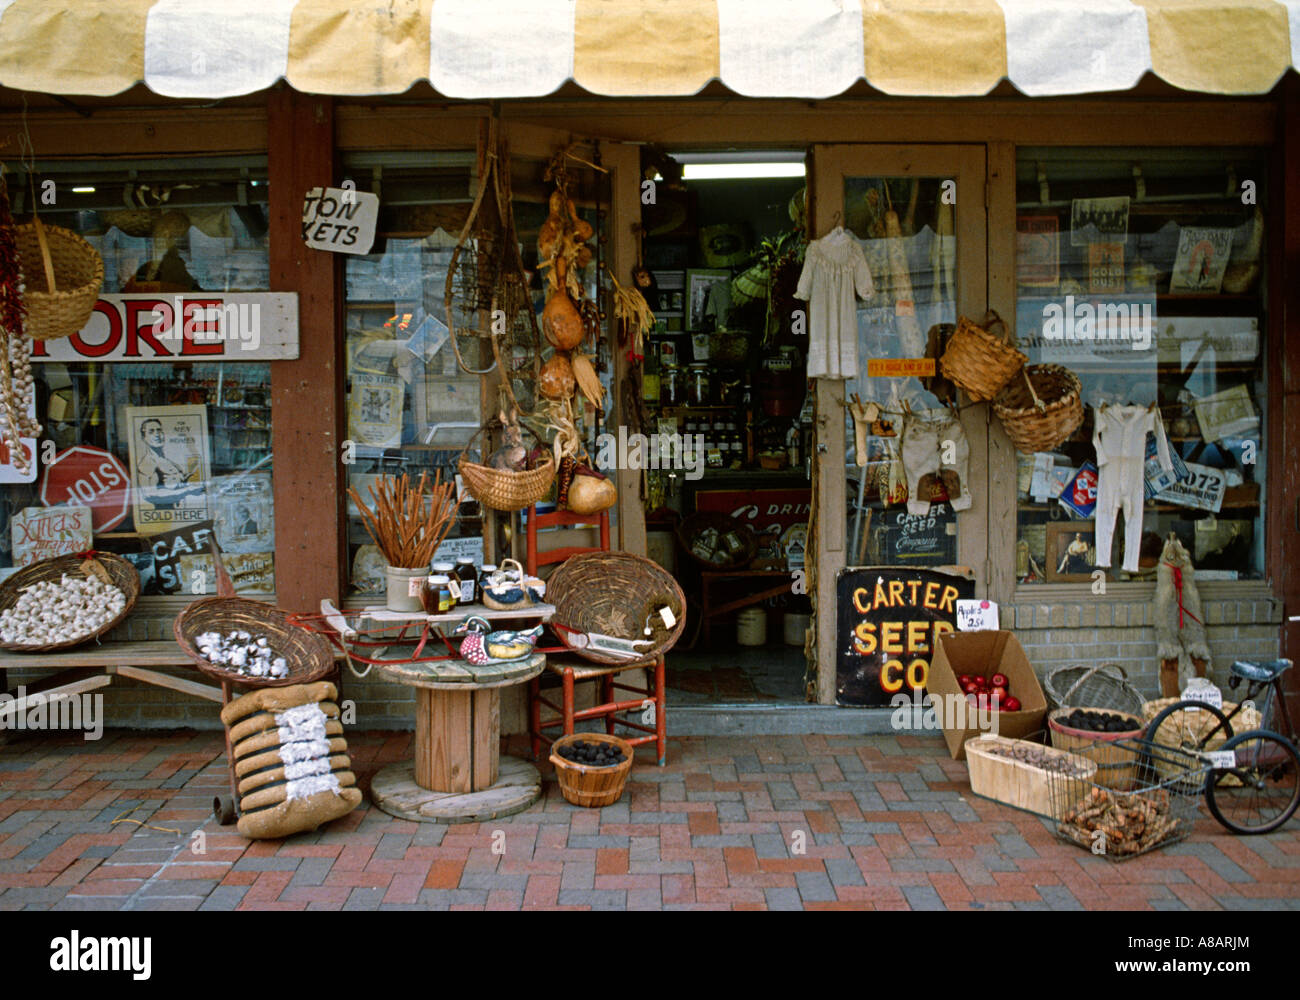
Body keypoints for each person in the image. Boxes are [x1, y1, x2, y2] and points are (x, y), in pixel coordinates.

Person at [134, 418, 203, 510]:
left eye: (159, 430)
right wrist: (187, 490)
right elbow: (150, 494)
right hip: (164, 514)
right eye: (151, 432)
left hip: (180, 513)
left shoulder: (168, 461)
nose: (157, 435)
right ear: (144, 438)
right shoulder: (147, 463)